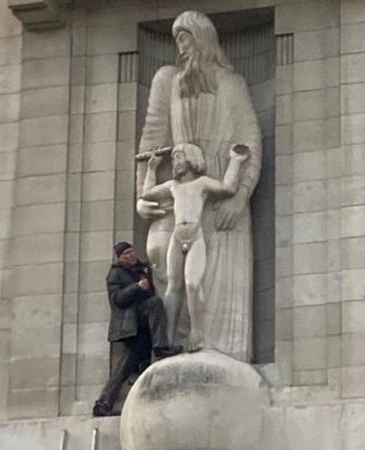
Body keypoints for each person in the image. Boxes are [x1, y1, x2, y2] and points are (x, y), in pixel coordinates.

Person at [135, 10, 262, 361]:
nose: (182, 47)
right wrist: (140, 198)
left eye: (187, 37)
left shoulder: (232, 84)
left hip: (223, 198)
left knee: (210, 286)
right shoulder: (167, 81)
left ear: (203, 38)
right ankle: (169, 349)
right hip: (176, 201)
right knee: (168, 272)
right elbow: (150, 145)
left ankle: (223, 356)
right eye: (177, 39)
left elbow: (250, 142)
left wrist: (242, 194)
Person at [142, 143, 249, 351]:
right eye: (173, 159)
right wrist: (152, 168)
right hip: (177, 236)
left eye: (179, 157)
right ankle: (168, 339)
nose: (175, 163)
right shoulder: (173, 186)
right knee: (173, 288)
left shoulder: (202, 183)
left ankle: (196, 332)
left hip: (195, 236)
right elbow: (147, 194)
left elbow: (228, 188)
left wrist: (235, 161)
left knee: (192, 284)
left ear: (191, 159)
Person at [92, 241, 182, 417]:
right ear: (120, 258)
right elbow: (117, 299)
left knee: (125, 366)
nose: (131, 256)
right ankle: (160, 348)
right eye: (126, 254)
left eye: (132, 252)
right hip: (132, 323)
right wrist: (136, 287)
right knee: (155, 303)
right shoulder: (116, 274)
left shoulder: (142, 269)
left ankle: (103, 404)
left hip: (145, 325)